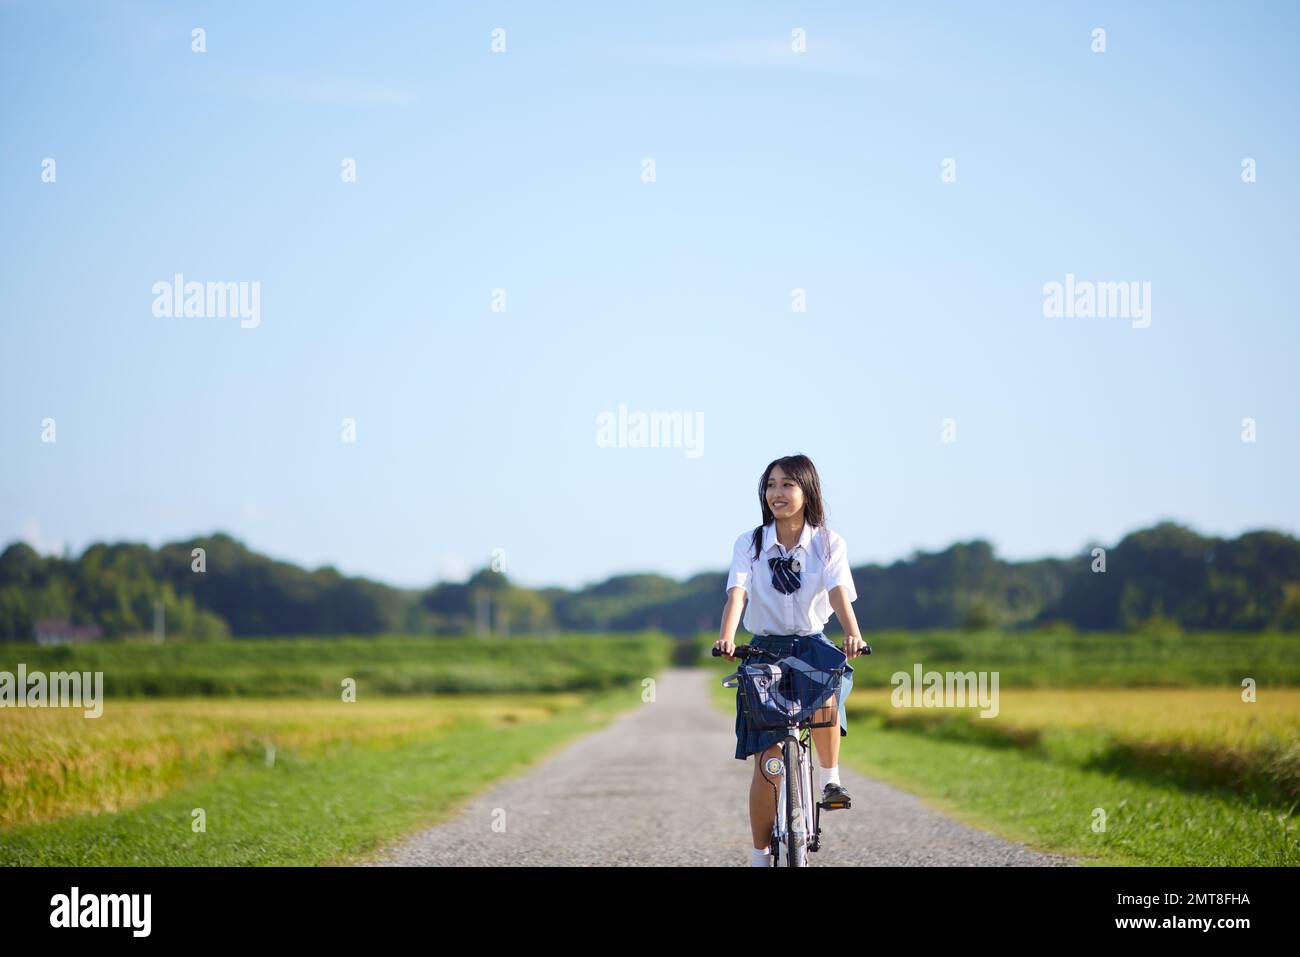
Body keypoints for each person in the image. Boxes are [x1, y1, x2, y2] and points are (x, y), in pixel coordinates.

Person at [713, 453, 867, 867]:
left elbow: (838, 592)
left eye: (786, 485)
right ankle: (760, 854)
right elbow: (737, 593)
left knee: (830, 680)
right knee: (770, 762)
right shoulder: (750, 542)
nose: (776, 493)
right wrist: (727, 638)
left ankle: (831, 780)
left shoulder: (828, 542)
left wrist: (852, 632)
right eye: (770, 485)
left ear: (806, 490)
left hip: (811, 642)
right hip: (764, 647)